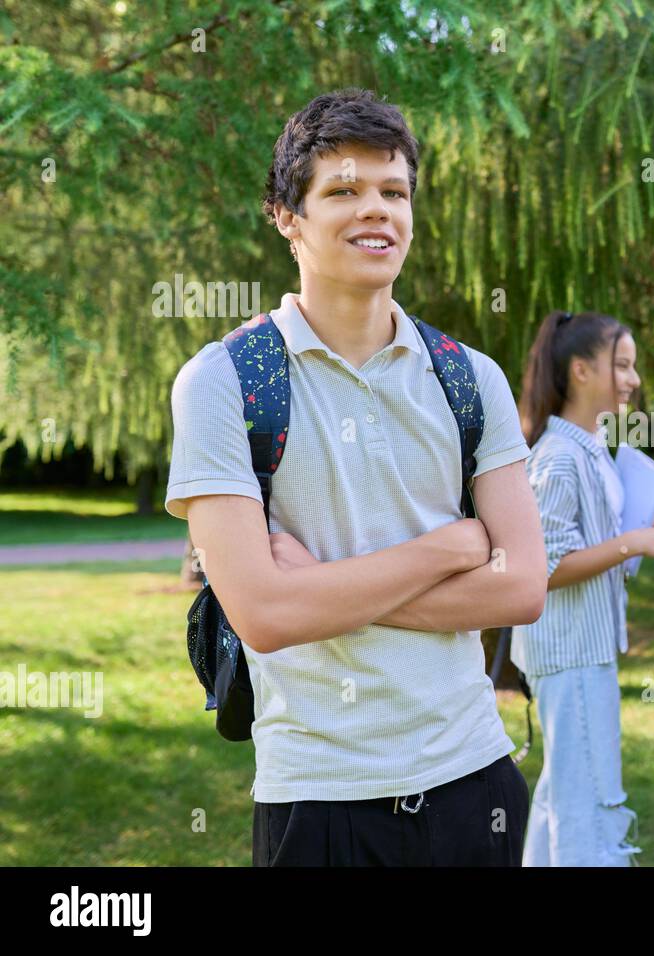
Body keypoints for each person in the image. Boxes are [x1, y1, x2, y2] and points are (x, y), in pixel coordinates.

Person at [165, 89, 547, 867]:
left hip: (477, 780)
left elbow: (522, 589)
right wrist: (448, 548)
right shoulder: (222, 383)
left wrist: (326, 588)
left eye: (393, 192)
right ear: (285, 214)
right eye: (343, 191)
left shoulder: (472, 378)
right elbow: (267, 617)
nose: (376, 211)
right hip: (320, 800)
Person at [512, 310, 654, 866]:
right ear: (582, 371)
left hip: (586, 650)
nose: (634, 379)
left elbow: (588, 545)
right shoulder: (560, 458)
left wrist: (637, 536)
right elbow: (545, 565)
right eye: (624, 365)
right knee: (583, 801)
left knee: (560, 795)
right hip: (569, 655)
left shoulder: (589, 450)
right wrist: (632, 543)